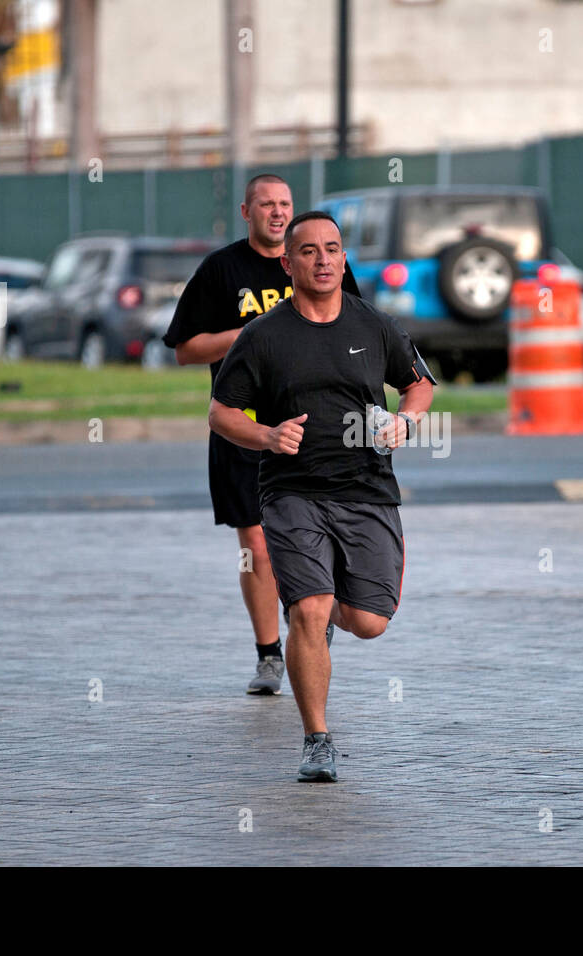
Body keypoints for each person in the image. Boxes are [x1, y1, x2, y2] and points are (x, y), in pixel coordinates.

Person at [208, 210, 435, 782]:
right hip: (292, 493)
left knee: (370, 622)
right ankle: (317, 739)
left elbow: (419, 383)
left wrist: (406, 422)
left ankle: (326, 608)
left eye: (333, 249)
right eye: (309, 251)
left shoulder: (373, 325)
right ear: (288, 264)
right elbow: (220, 412)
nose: (324, 260)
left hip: (368, 491)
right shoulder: (264, 336)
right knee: (307, 612)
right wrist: (266, 435)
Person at [164, 174, 359, 696]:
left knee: (328, 531)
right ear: (247, 211)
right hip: (246, 428)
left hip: (318, 428)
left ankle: (313, 619)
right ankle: (270, 653)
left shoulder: (320, 260)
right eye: (266, 205)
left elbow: (355, 327)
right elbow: (185, 349)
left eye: (285, 204)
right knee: (257, 543)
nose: (277, 212)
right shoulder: (221, 270)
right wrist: (253, 331)